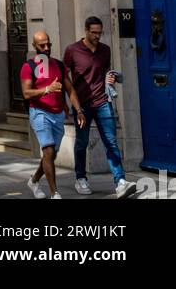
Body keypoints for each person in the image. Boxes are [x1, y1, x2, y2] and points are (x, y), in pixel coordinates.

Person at [63, 17, 136, 198]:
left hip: (103, 102)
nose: (97, 36)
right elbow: (64, 77)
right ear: (86, 31)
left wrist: (110, 78)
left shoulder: (105, 50)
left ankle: (120, 181)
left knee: (111, 141)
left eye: (99, 33)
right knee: (82, 143)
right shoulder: (72, 50)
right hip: (82, 105)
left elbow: (105, 72)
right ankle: (81, 178)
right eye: (93, 33)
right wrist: (71, 105)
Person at [22, 30, 84, 200]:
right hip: (39, 112)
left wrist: (78, 110)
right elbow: (26, 93)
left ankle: (34, 181)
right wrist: (47, 89)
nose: (47, 48)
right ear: (34, 46)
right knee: (48, 150)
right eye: (42, 45)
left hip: (57, 115)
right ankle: (54, 193)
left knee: (52, 154)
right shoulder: (29, 66)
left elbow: (70, 89)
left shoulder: (58, 65)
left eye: (49, 44)